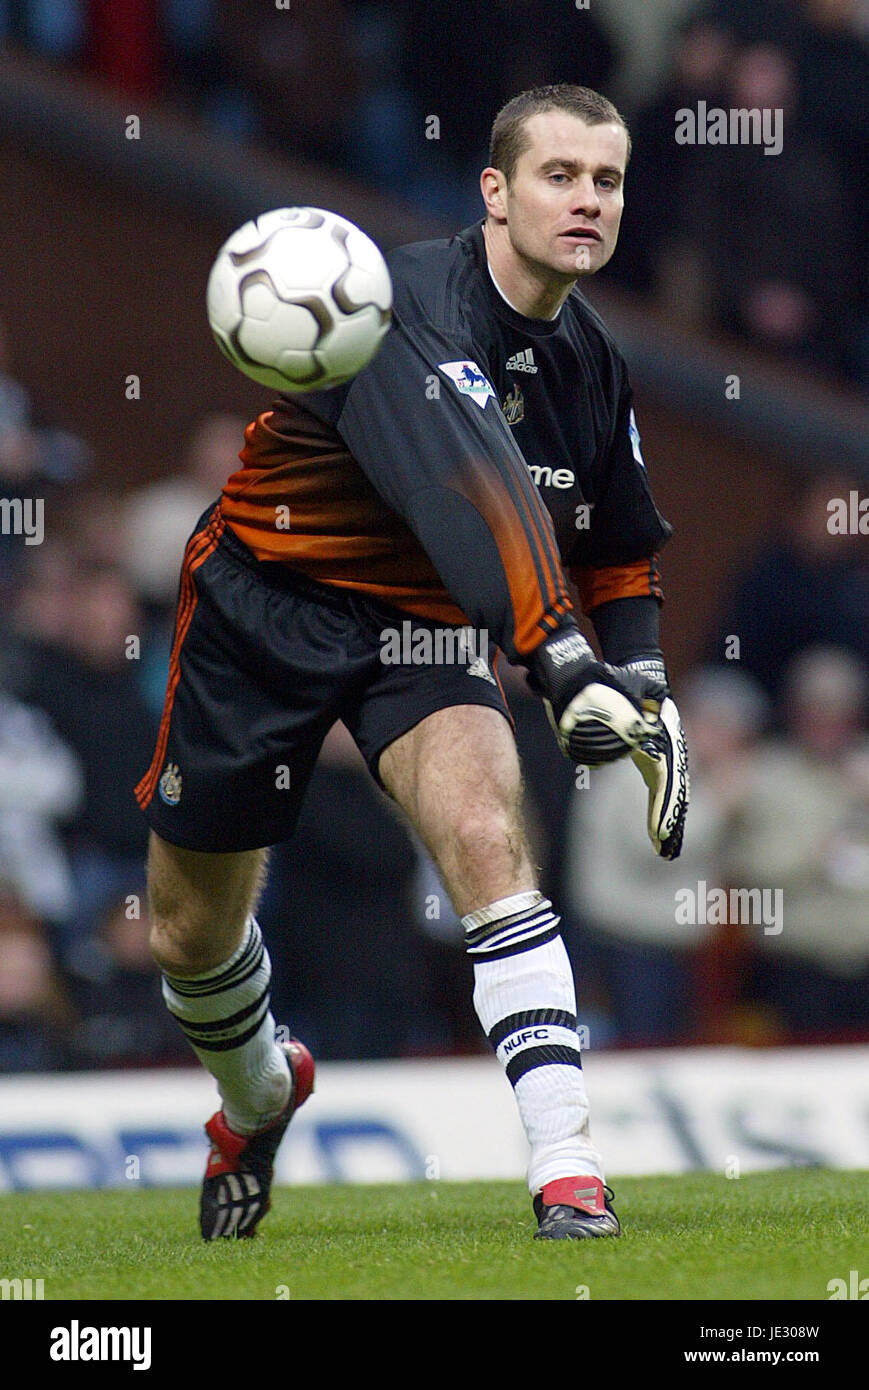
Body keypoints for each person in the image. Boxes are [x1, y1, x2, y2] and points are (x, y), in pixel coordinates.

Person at [136, 84, 689, 1242]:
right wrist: (559, 659)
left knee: (489, 842)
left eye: (607, 181)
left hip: (423, 633)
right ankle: (260, 1094)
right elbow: (471, 495)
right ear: (493, 192)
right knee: (185, 935)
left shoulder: (590, 360)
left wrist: (636, 673)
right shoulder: (391, 303)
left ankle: (567, 1168)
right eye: (559, 175)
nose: (587, 200)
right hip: (263, 607)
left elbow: (620, 545)